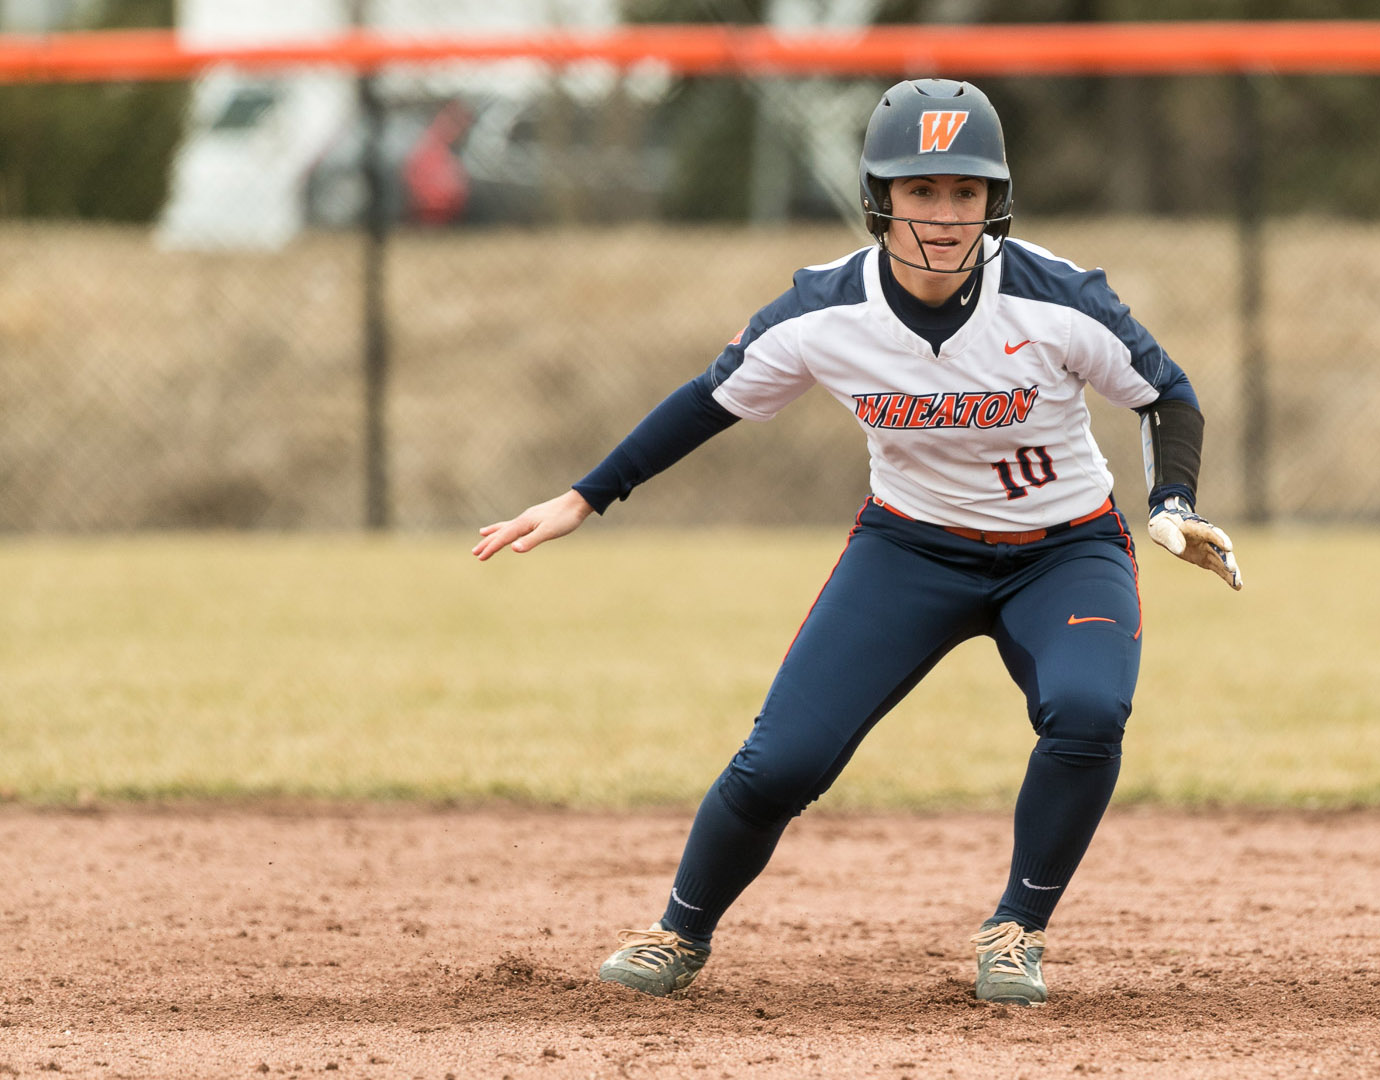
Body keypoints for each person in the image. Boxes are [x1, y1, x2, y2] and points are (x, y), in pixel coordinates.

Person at [473, 78, 1242, 1006]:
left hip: (1063, 550)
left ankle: (1016, 931)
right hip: (909, 551)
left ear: (996, 200)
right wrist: (590, 494)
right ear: (879, 197)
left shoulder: (1056, 296)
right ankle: (678, 930)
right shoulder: (820, 311)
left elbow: (1166, 393)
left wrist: (1170, 503)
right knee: (784, 760)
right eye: (923, 190)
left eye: (967, 192)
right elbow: (707, 401)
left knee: (1086, 712)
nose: (948, 213)